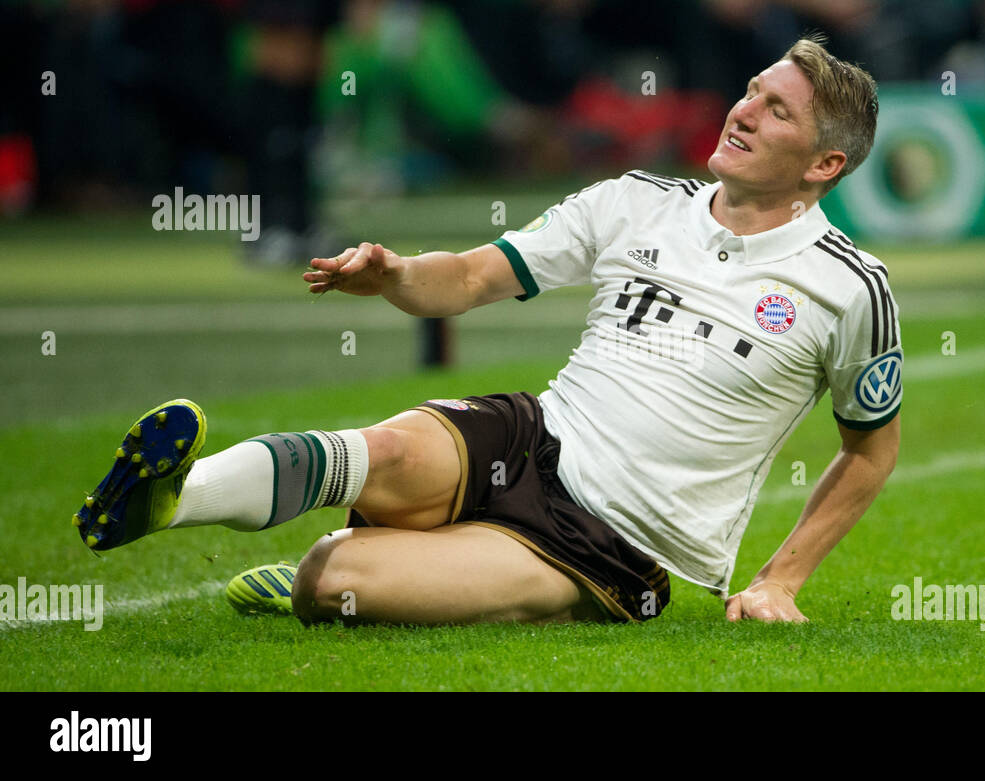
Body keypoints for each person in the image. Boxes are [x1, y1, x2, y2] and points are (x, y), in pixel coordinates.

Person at [73, 35, 900, 625]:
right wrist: (395, 274)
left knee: (334, 577)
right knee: (386, 448)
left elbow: (871, 448)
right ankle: (171, 500)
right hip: (530, 431)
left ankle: (352, 556)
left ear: (825, 164)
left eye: (777, 110)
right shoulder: (635, 201)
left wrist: (780, 580)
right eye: (752, 90)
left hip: (612, 541)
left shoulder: (848, 287)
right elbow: (468, 277)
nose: (745, 111)